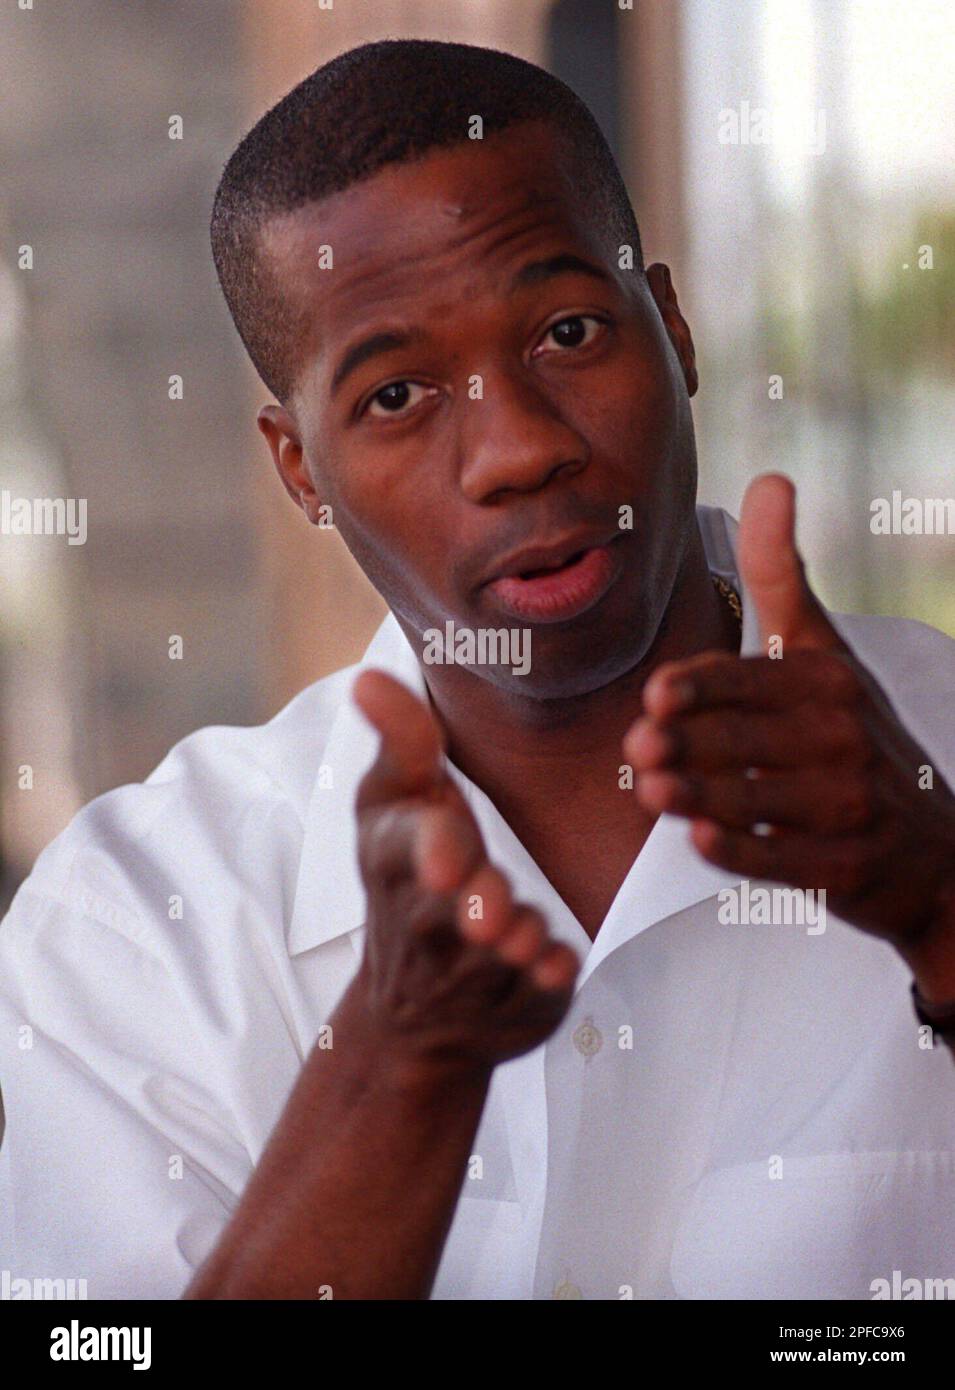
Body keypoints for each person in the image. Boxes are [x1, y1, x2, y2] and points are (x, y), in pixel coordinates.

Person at [1, 38, 954, 1302]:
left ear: (670, 329)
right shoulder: (136, 924)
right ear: (301, 472)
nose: (515, 449)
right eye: (396, 395)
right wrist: (398, 1068)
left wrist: (940, 910)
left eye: (566, 330)